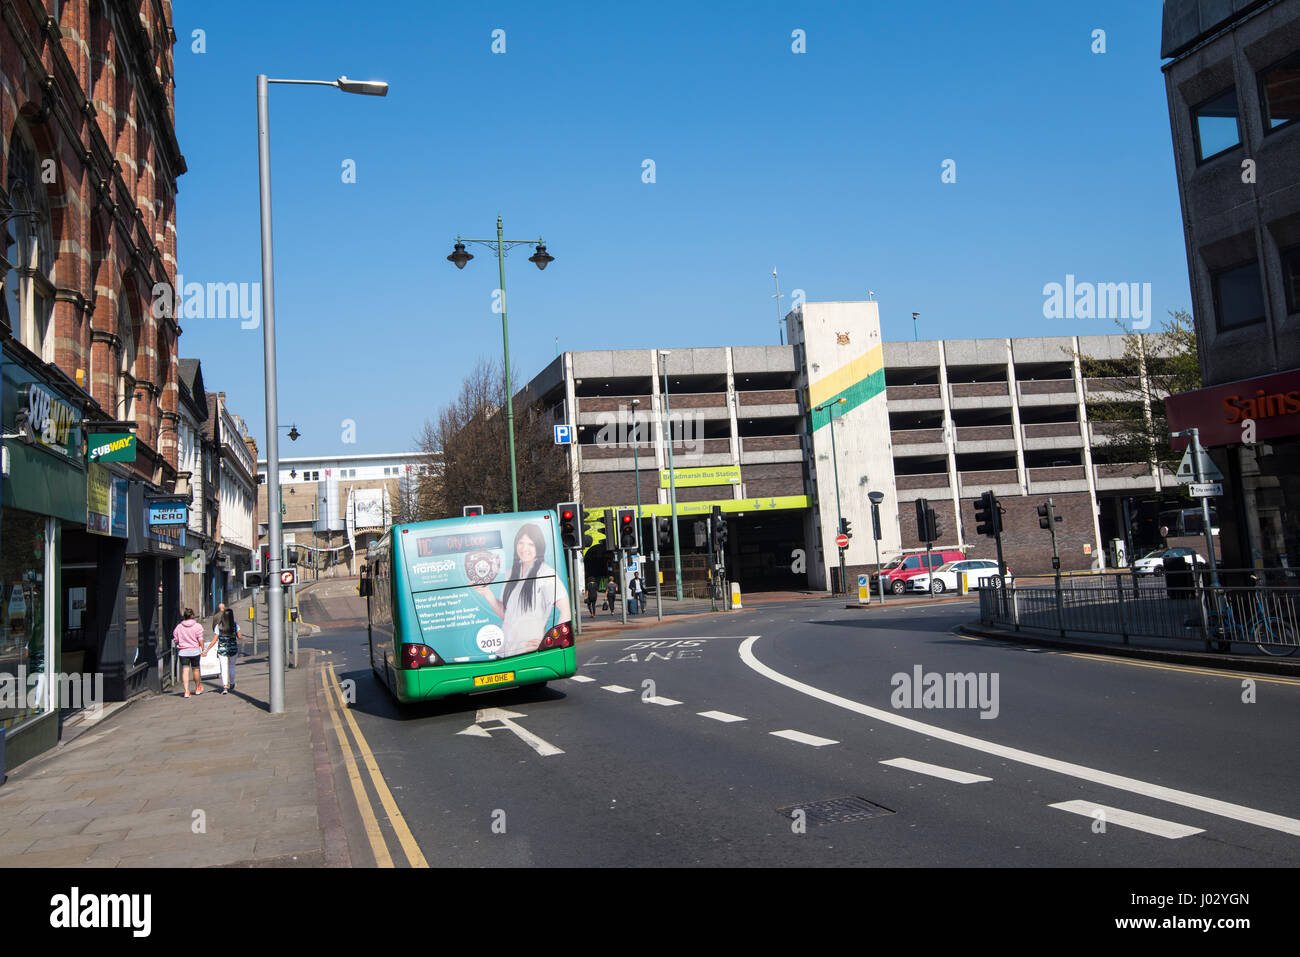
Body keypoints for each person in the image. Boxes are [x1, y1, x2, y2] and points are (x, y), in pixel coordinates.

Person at [474, 523, 571, 657]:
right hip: (505, 652)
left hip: (529, 652)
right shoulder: (511, 572)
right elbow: (507, 615)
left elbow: (565, 610)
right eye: (521, 543)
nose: (524, 548)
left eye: (531, 544)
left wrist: (550, 642)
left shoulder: (546, 573)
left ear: (539, 547)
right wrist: (486, 593)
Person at [205, 606, 241, 694]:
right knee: (232, 667)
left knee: (223, 667)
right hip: (233, 649)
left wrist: (207, 650)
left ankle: (225, 687)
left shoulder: (219, 626)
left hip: (222, 650)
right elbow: (239, 636)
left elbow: (214, 639)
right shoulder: (235, 625)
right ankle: (232, 683)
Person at [172, 609, 206, 697]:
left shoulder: (179, 627)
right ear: (193, 615)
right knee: (196, 669)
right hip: (195, 651)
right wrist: (203, 649)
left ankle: (186, 691)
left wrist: (180, 644)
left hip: (183, 652)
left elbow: (175, 639)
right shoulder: (197, 626)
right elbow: (200, 639)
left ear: (184, 616)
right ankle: (198, 688)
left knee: (185, 671)